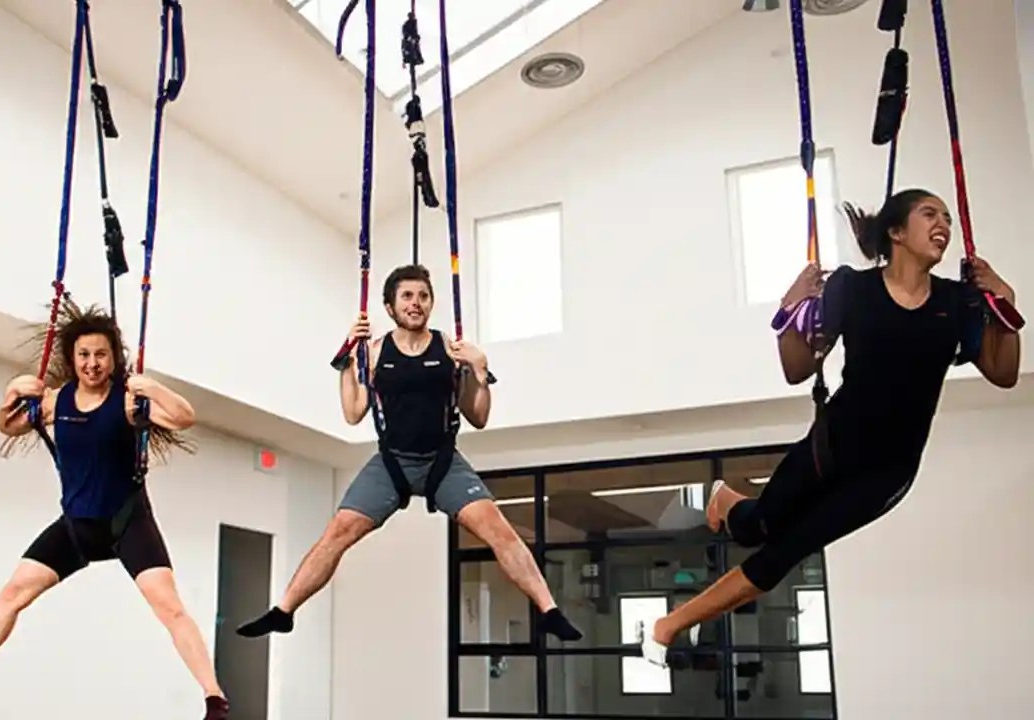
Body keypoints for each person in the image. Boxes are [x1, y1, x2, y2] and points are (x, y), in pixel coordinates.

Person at [636, 189, 1021, 667]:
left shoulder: (956, 301)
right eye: (929, 214)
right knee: (757, 528)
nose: (943, 224)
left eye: (946, 216)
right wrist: (789, 309)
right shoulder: (851, 289)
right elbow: (798, 368)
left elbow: (1002, 373)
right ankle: (725, 501)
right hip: (832, 445)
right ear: (896, 232)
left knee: (782, 555)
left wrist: (1005, 303)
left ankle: (668, 626)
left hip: (887, 471)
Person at [0, 301, 230, 720]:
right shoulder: (55, 402)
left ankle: (213, 697)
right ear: (72, 359)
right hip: (76, 527)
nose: (92, 364)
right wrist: (11, 393)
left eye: (100, 354)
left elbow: (184, 418)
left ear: (113, 358)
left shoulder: (129, 402)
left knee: (169, 608)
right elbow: (7, 425)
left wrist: (149, 387)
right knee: (12, 594)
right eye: (84, 355)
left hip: (126, 521)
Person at [237, 265, 583, 642]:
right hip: (391, 463)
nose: (415, 304)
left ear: (431, 303)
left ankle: (548, 611)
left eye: (423, 296)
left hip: (443, 462)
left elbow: (478, 416)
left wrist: (480, 370)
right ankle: (283, 611)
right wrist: (346, 361)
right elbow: (353, 413)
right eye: (407, 296)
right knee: (337, 532)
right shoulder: (373, 351)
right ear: (389, 306)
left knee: (499, 530)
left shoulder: (451, 351)